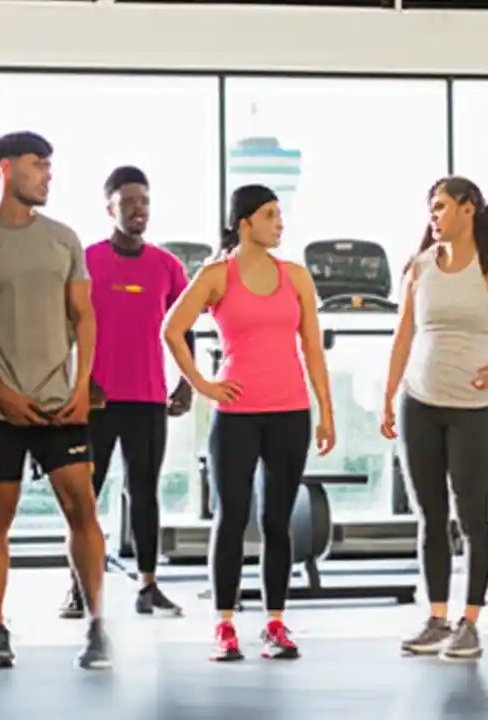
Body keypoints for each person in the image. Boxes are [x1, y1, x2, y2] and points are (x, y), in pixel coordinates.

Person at [0, 130, 111, 671]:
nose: (47, 175)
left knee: (82, 507)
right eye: (38, 164)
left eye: (49, 166)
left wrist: (82, 386)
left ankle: (97, 624)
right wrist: (2, 395)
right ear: (7, 168)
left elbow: (84, 316)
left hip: (61, 401)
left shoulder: (63, 239)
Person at [162, 184, 336, 663]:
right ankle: (224, 626)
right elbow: (172, 329)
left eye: (280, 215)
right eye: (270, 215)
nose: (280, 223)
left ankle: (275, 624)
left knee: (277, 521)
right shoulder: (217, 275)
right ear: (245, 223)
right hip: (236, 415)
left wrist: (326, 411)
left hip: (290, 412)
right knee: (232, 519)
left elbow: (312, 348)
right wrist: (202, 384)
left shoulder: (296, 276)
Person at [381, 176, 488, 662]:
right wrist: (388, 397)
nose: (434, 216)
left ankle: (469, 623)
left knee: (472, 518)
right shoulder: (419, 267)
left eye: (441, 206)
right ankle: (437, 620)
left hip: (474, 413)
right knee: (430, 518)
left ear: (468, 209)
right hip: (419, 405)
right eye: (431, 208)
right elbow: (404, 336)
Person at [59, 166, 193, 620]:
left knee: (144, 493)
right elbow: (65, 328)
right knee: (85, 495)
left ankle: (148, 586)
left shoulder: (167, 266)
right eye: (129, 201)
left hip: (148, 398)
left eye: (145, 202)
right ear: (110, 207)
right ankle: (78, 587)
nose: (139, 210)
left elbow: (183, 329)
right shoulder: (87, 261)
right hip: (94, 400)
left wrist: (186, 382)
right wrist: (79, 381)